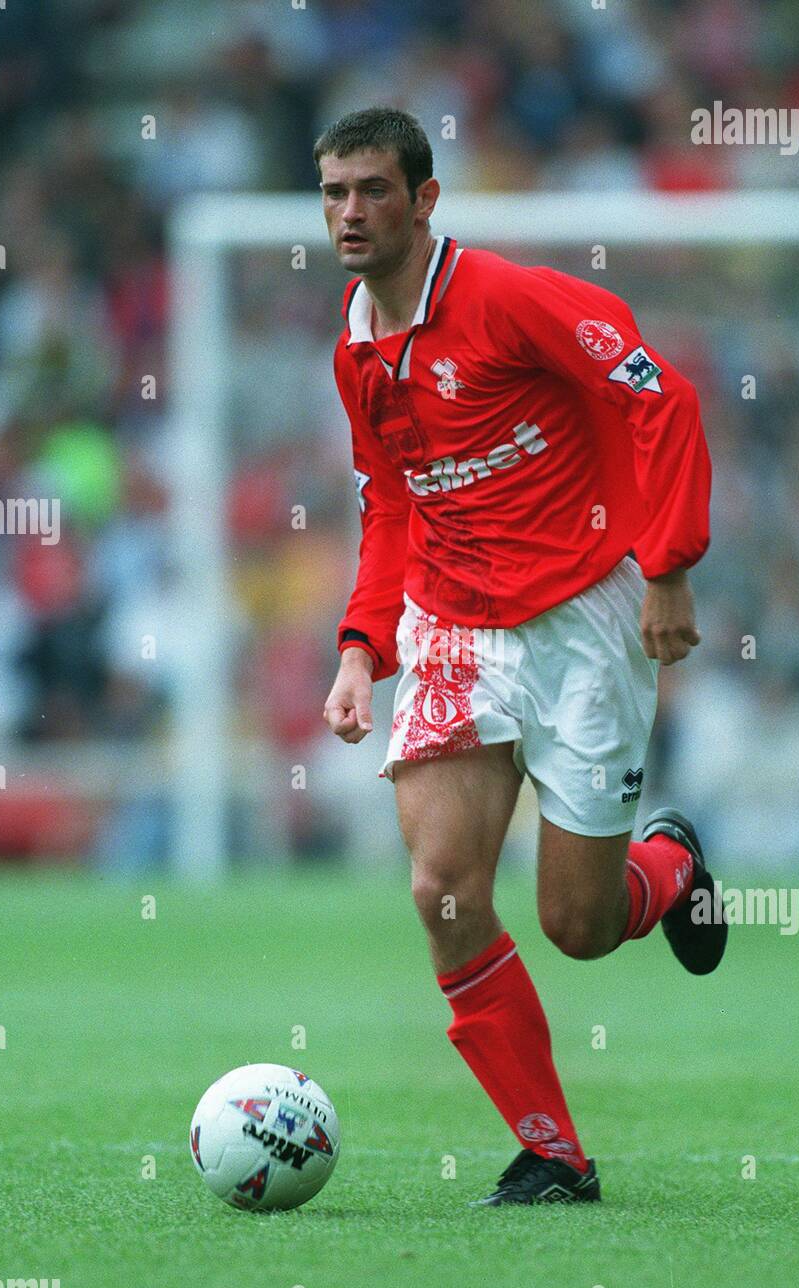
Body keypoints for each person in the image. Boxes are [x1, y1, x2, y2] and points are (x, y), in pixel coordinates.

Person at [319, 108, 725, 1206]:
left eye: (373, 190)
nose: (351, 212)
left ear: (425, 198)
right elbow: (390, 507)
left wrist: (671, 563)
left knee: (578, 927)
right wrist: (364, 648)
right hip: (453, 627)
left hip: (585, 615)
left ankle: (670, 868)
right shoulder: (356, 348)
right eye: (335, 193)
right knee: (443, 889)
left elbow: (663, 397)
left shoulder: (508, 298)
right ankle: (554, 1151)